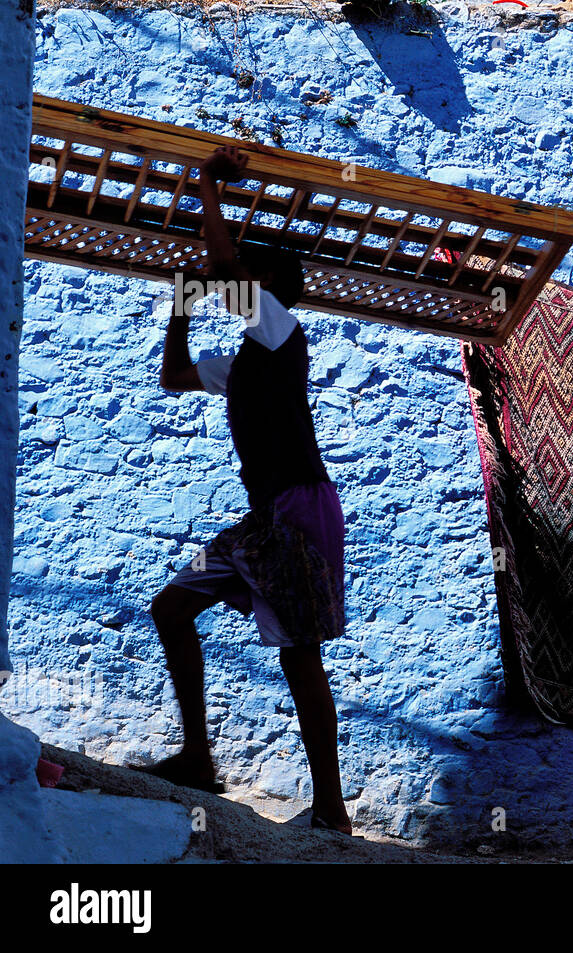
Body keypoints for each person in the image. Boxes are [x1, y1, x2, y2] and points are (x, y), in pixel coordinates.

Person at [144, 145, 351, 834]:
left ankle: (332, 810)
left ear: (266, 285)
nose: (234, 279)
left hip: (299, 509)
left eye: (247, 274)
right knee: (171, 609)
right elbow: (174, 374)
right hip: (265, 522)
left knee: (300, 655)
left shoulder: (282, 328)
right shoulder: (242, 366)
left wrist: (203, 181)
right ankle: (198, 756)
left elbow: (228, 266)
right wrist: (181, 302)